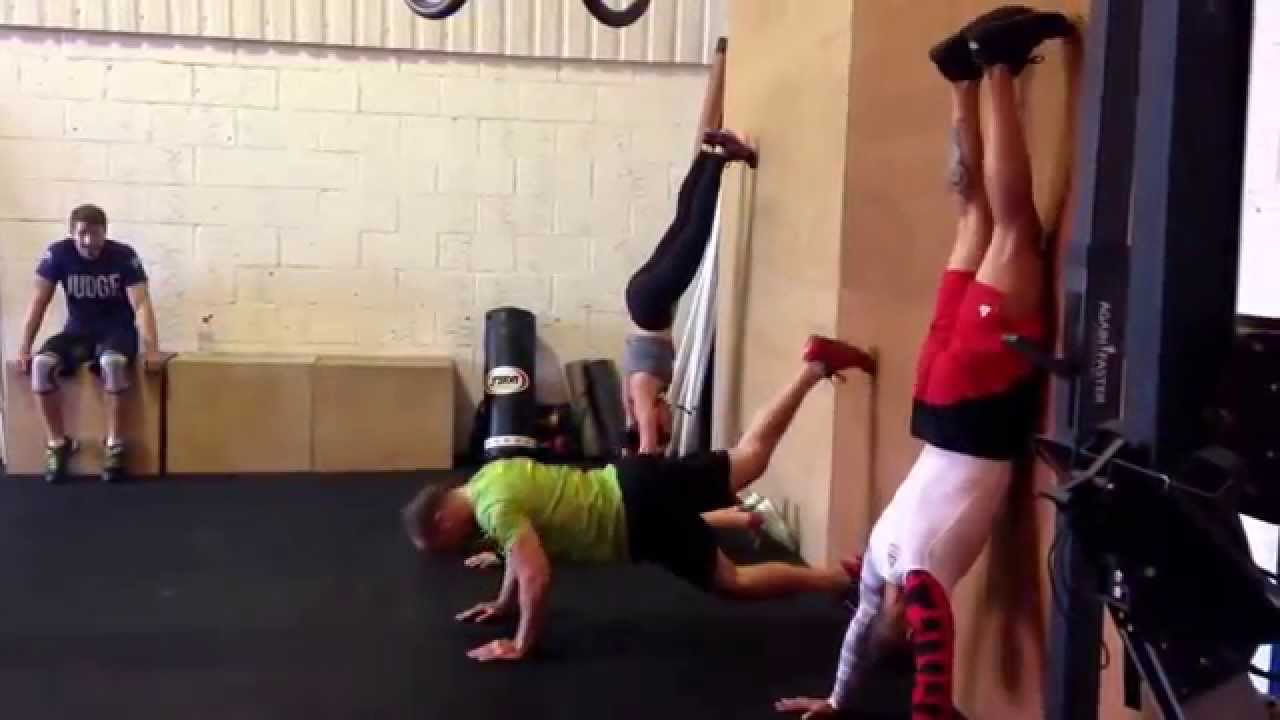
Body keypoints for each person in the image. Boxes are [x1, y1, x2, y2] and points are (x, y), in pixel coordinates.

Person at [775, 8, 1075, 719]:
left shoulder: (920, 582)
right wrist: (837, 700)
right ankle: (960, 80)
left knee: (1015, 228)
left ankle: (995, 64)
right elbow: (857, 634)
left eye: (911, 632)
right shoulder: (880, 558)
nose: (919, 627)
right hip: (936, 394)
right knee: (974, 220)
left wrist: (910, 699)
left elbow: (932, 691)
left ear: (907, 629)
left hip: (978, 399)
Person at [403, 335, 875, 662]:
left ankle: (840, 579)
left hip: (636, 517)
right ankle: (815, 367)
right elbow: (518, 552)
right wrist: (504, 604)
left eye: (444, 546)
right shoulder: (488, 477)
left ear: (443, 521)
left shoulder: (493, 510)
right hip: (631, 476)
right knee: (749, 458)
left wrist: (521, 643)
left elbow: (535, 575)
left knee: (732, 581)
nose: (454, 552)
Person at [16, 204, 165, 484]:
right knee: (41, 365)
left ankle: (114, 445)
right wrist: (24, 347)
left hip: (116, 332)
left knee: (112, 363)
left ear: (104, 233)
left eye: (95, 234)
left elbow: (141, 304)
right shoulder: (58, 254)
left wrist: (152, 348)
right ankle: (58, 444)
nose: (88, 241)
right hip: (78, 332)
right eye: (82, 234)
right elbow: (38, 302)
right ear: (72, 233)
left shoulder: (123, 255)